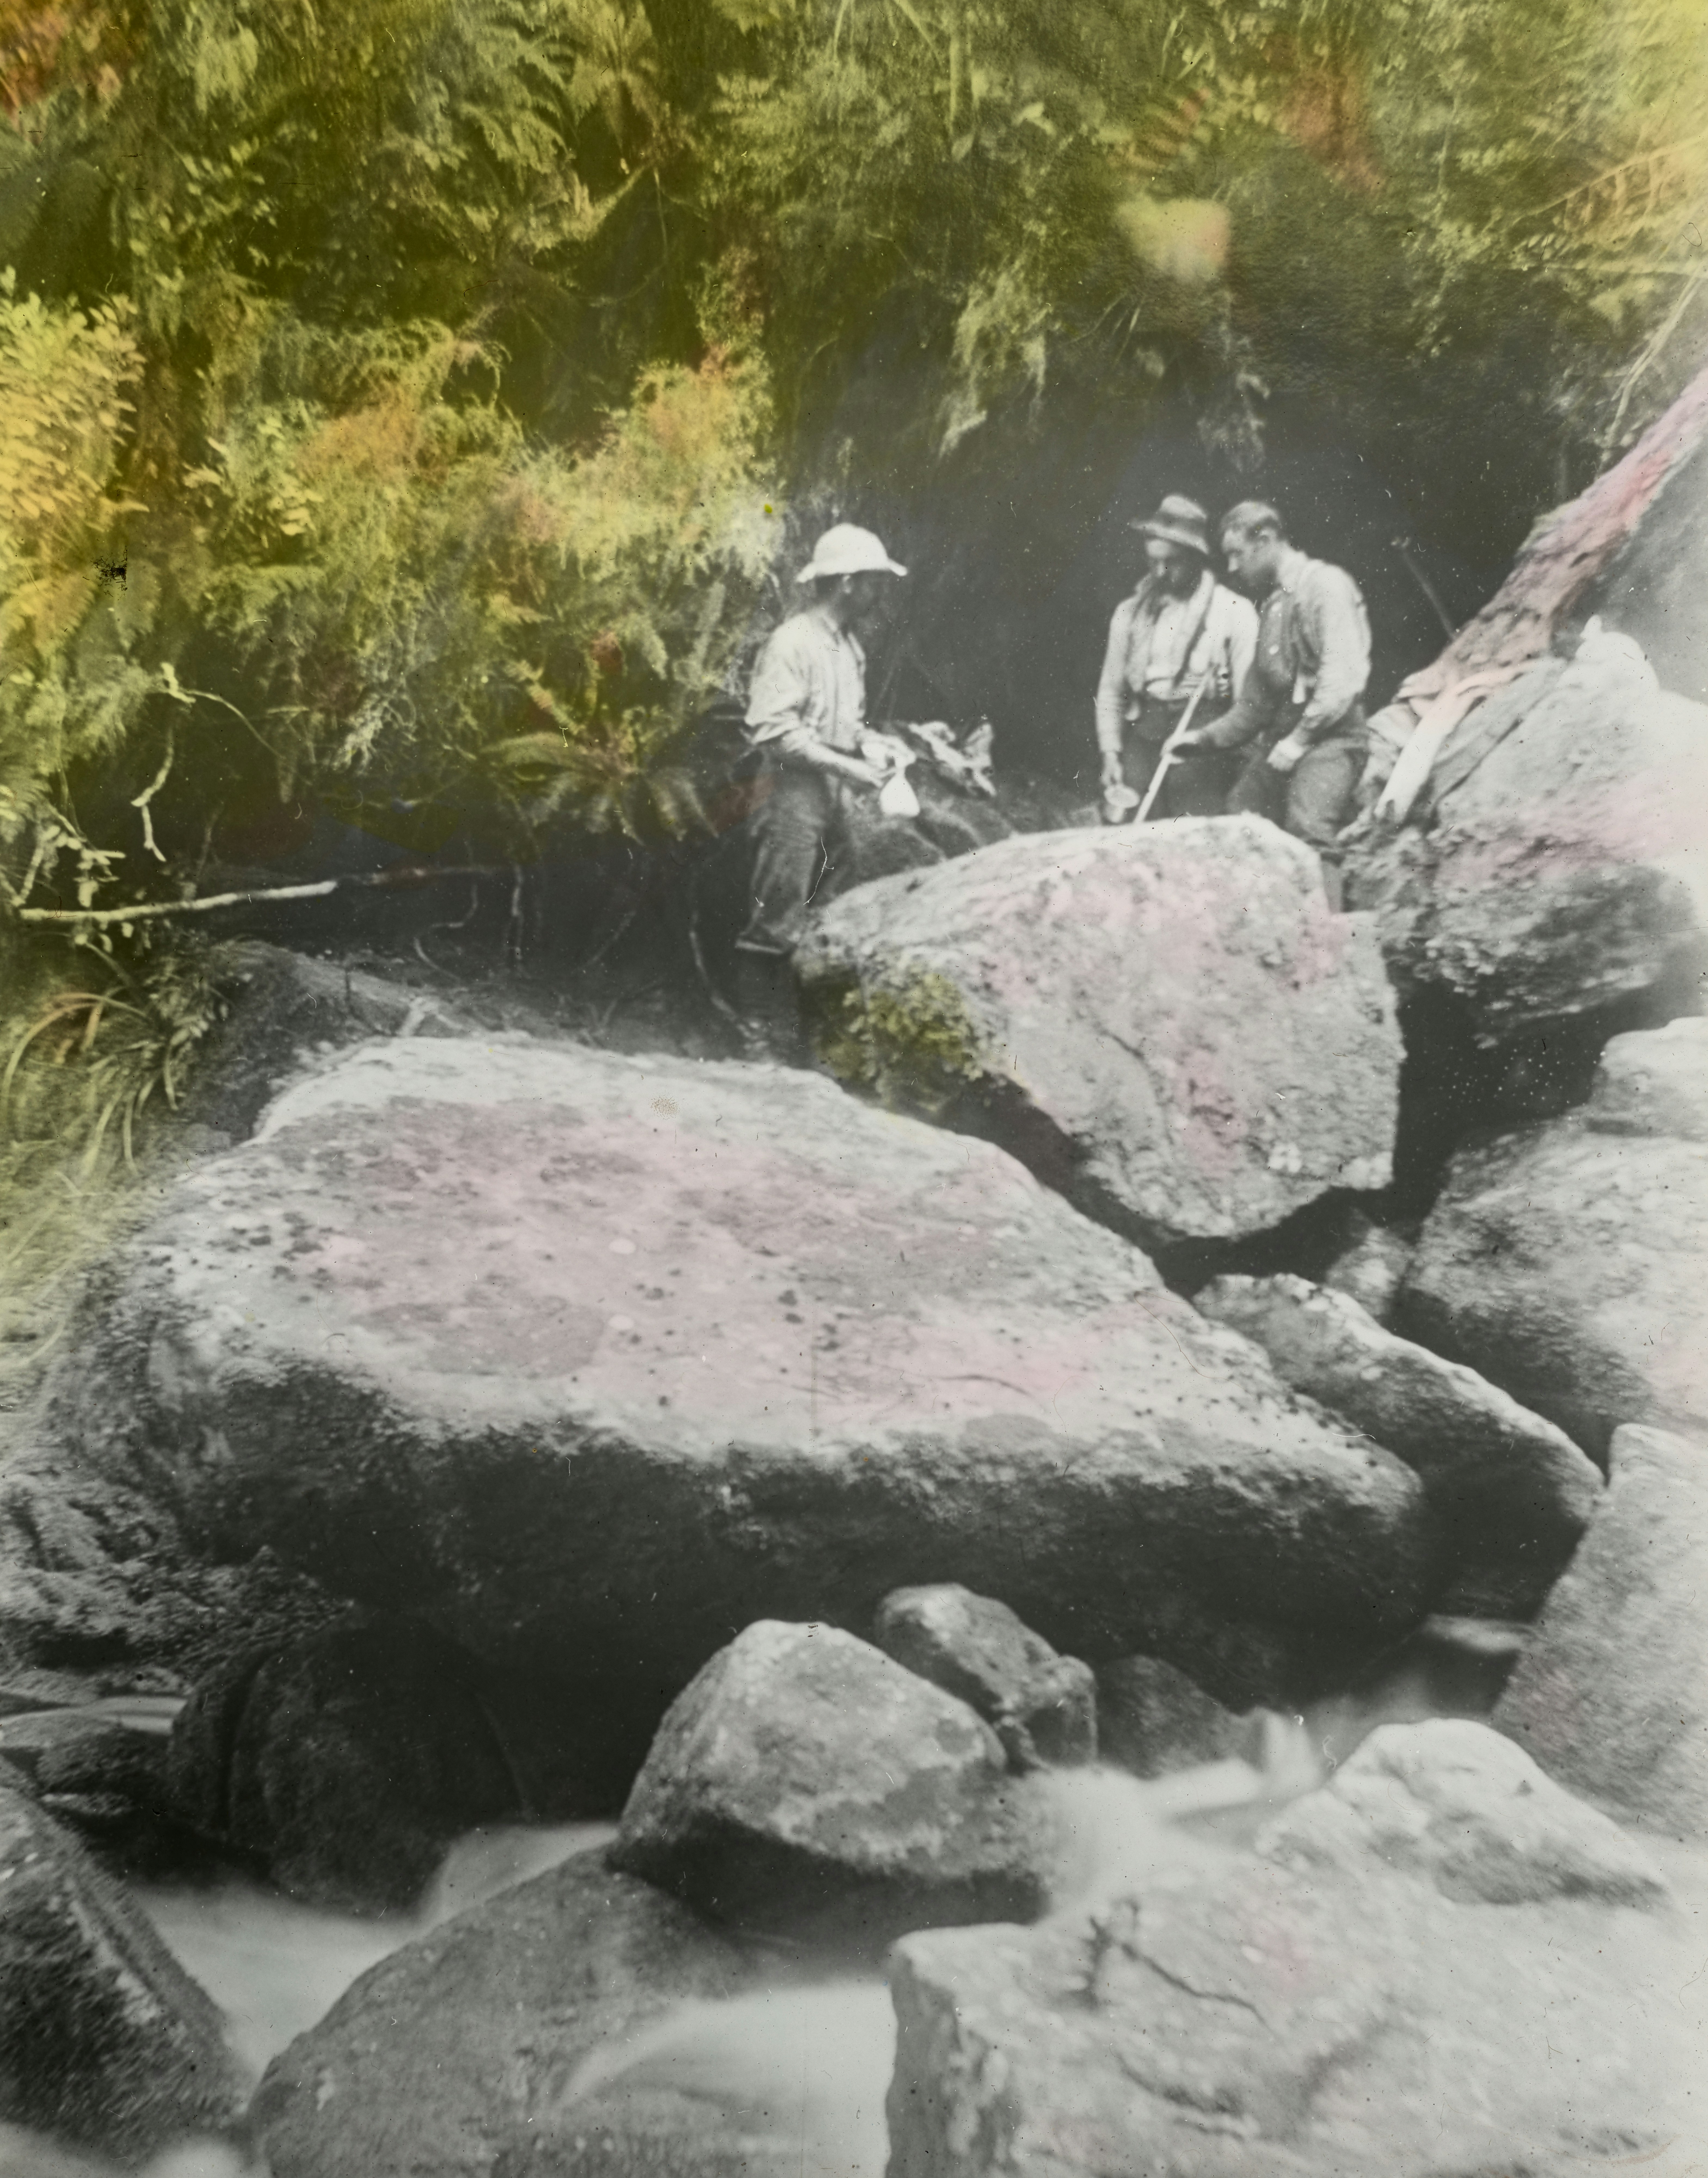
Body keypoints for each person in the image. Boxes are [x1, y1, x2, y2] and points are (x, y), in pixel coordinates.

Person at [731, 522, 907, 1049]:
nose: (881, 592)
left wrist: (875, 745)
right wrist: (851, 769)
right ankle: (755, 1034)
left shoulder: (848, 646)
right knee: (779, 906)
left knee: (840, 887)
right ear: (848, 582)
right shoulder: (794, 643)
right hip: (787, 790)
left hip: (828, 787)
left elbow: (844, 722)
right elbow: (775, 731)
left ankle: (807, 1023)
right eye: (875, 582)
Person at [1172, 500, 1371, 905]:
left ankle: (1328, 940)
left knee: (1308, 823)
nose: (1231, 567)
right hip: (1285, 740)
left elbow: (1341, 682)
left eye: (1236, 554)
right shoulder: (1274, 605)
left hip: (1332, 739)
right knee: (1240, 810)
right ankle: (1260, 927)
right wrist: (1202, 739)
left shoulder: (1325, 586)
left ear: (1264, 541)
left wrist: (1300, 740)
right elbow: (1255, 706)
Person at [1094, 494, 1258, 819]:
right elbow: (1111, 690)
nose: (1160, 572)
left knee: (1191, 830)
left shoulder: (1235, 613)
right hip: (1146, 731)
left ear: (1197, 558)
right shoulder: (1129, 613)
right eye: (1152, 562)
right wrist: (1111, 754)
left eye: (1172, 562)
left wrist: (1227, 753)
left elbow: (1248, 706)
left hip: (1205, 736)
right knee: (1128, 827)